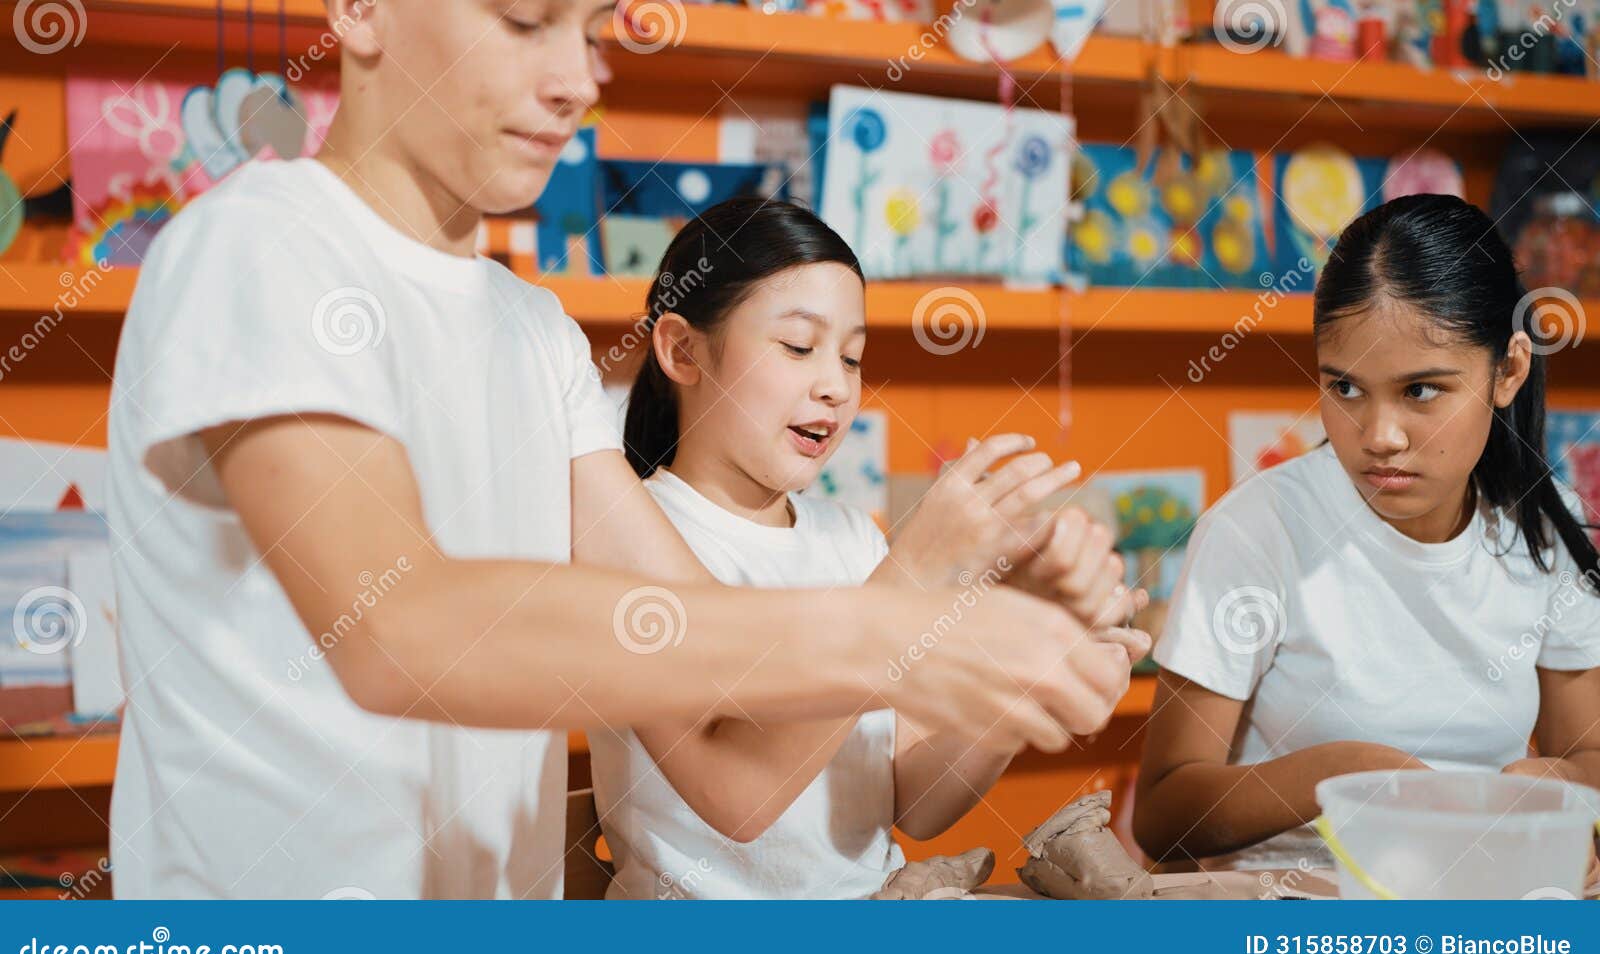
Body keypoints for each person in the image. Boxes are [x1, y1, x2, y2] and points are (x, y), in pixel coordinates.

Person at [106, 0, 1132, 898]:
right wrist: (890, 619)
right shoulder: (260, 246)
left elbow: (694, 655)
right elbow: (395, 628)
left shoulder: (533, 330)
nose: (573, 83)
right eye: (521, 21)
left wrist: (989, 613)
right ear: (360, 9)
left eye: (593, 31)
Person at [588, 198, 1147, 898]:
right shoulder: (634, 536)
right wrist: (912, 570)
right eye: (798, 346)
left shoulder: (850, 538)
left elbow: (915, 800)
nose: (835, 385)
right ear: (681, 349)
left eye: (852, 357)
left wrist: (1028, 682)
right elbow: (739, 803)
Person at [1135, 194, 1600, 877]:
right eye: (1346, 389)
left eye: (1420, 391)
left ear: (1508, 372)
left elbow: (1586, 757)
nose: (1379, 437)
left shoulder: (1542, 523)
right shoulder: (1257, 530)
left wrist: (1555, 791)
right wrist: (1347, 777)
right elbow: (1163, 813)